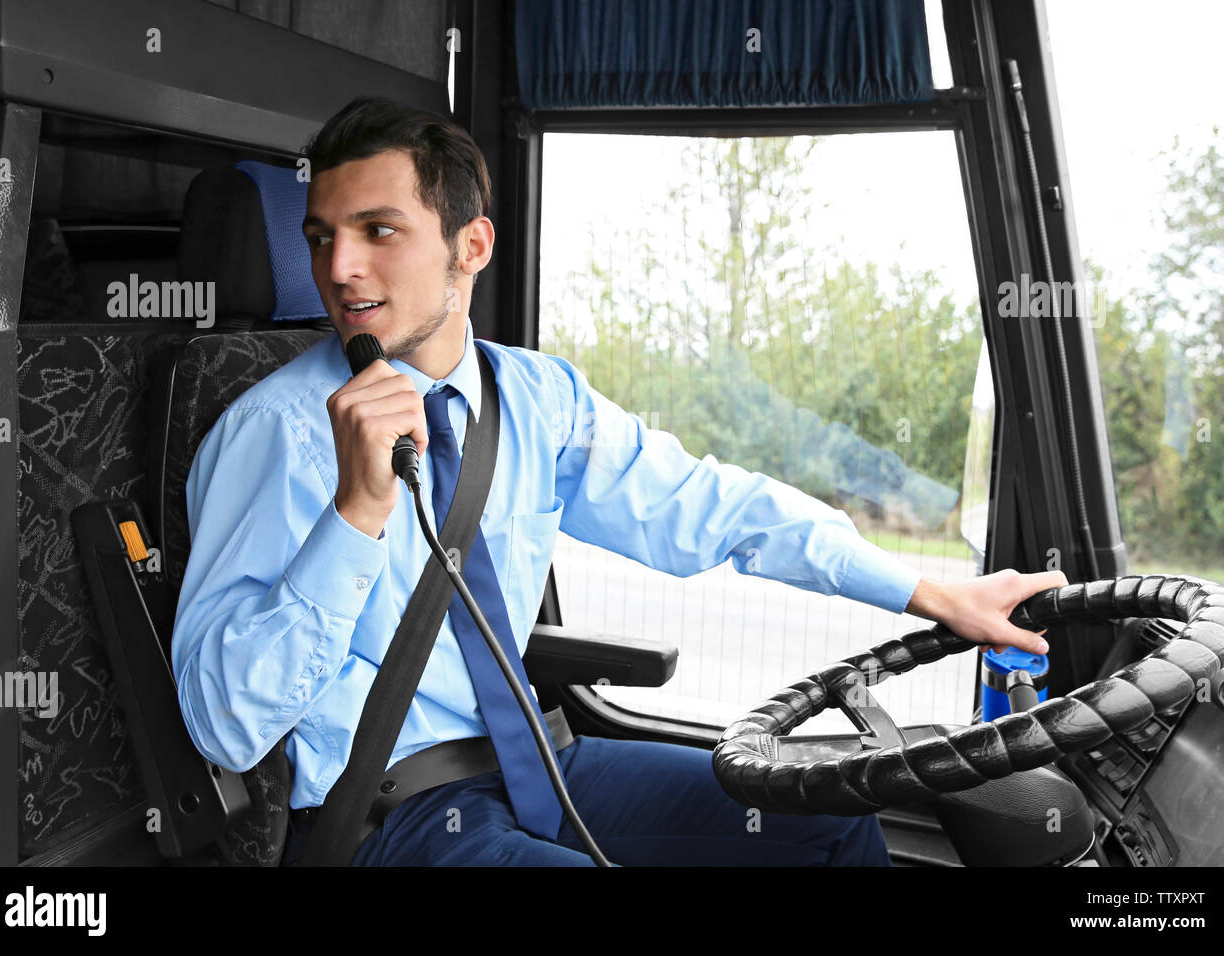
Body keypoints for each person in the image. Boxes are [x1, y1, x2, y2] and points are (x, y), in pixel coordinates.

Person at [170, 97, 1065, 867]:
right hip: (385, 810)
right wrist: (357, 512)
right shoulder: (275, 433)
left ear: (470, 245)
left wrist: (927, 589)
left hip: (538, 763)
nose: (340, 268)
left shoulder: (536, 397)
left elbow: (713, 509)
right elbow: (220, 725)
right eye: (323, 236)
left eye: (379, 231)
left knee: (822, 816)